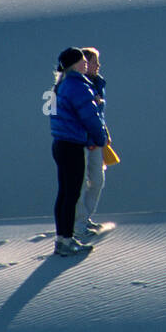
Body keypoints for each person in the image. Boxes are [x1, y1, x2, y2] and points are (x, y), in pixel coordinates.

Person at [49, 47, 110, 257]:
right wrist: (101, 138)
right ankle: (66, 240)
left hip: (61, 144)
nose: (86, 63)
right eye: (83, 60)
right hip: (72, 145)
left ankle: (62, 239)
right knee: (71, 194)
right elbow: (89, 116)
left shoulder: (62, 84)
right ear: (75, 64)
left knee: (65, 194)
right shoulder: (77, 86)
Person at [74, 47, 108, 239]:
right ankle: (78, 224)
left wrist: (103, 134)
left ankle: (85, 218)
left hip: (96, 139)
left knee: (97, 180)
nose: (98, 65)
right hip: (82, 142)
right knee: (80, 184)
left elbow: (97, 116)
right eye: (94, 61)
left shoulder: (98, 83)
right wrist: (90, 139)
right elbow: (81, 116)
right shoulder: (79, 86)